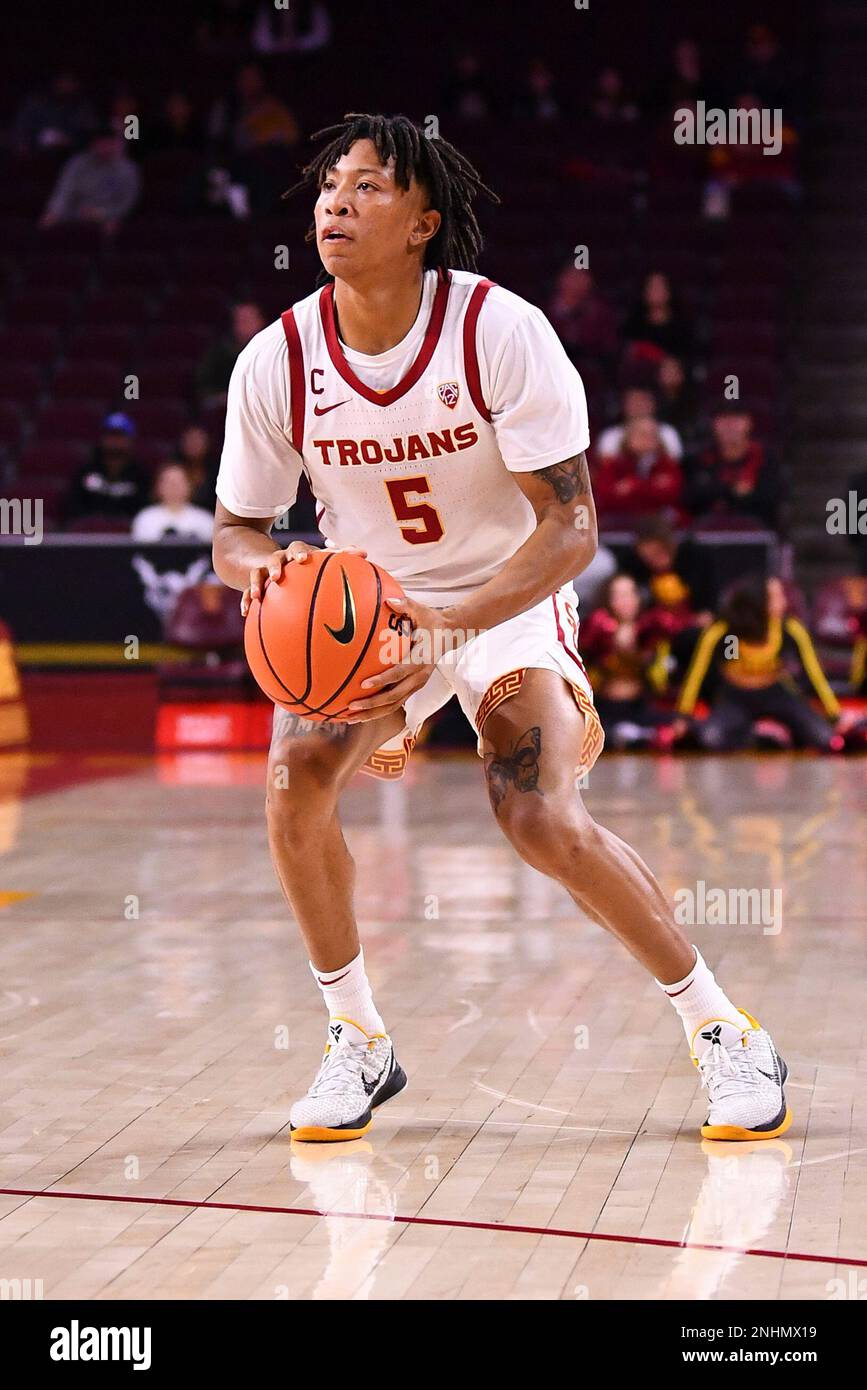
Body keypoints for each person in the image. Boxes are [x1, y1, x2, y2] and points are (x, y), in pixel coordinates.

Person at [212, 112, 791, 1146]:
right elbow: (235, 533)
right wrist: (277, 570)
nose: (335, 204)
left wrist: (451, 627)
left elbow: (573, 526)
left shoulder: (498, 330)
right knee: (295, 778)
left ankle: (724, 1030)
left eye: (367, 188)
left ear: (425, 221)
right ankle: (358, 1037)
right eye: (327, 187)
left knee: (538, 817)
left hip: (506, 597)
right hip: (372, 615)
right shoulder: (278, 358)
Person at [676, 576, 844, 752]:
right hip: (736, 697)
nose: (784, 602)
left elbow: (814, 674)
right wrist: (682, 715)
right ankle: (756, 736)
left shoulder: (789, 628)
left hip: (776, 692)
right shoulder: (728, 632)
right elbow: (697, 674)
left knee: (824, 737)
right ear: (757, 602)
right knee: (711, 738)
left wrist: (835, 715)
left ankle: (782, 735)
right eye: (776, 597)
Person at [580, 574, 672, 747]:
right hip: (605, 706)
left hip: (640, 705)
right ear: (608, 599)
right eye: (619, 595)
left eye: (630, 594)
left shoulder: (651, 628)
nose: (626, 601)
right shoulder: (596, 627)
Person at [686, 402, 779, 529]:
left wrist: (719, 493)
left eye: (736, 419)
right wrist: (733, 490)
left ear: (749, 423)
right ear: (713, 424)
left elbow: (770, 498)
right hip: (706, 537)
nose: (730, 426)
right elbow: (690, 498)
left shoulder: (765, 458)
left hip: (755, 536)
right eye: (723, 419)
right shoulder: (698, 459)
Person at [39, 128, 141, 236]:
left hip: (110, 215)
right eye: (102, 144)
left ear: (116, 145)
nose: (105, 148)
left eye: (109, 144)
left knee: (113, 227)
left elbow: (127, 202)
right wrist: (53, 213)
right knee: (50, 222)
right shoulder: (77, 164)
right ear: (94, 144)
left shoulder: (128, 170)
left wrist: (101, 213)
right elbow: (64, 191)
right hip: (76, 213)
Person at [594, 417, 683, 523]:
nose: (647, 439)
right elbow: (605, 497)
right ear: (628, 437)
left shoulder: (667, 464)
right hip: (619, 521)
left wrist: (632, 485)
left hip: (659, 521)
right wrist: (653, 485)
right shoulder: (614, 465)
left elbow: (672, 495)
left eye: (652, 435)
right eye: (641, 434)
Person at [66, 412, 148, 526]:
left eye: (120, 435)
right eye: (111, 435)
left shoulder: (141, 476)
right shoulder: (84, 472)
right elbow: (72, 508)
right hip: (89, 537)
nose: (115, 441)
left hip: (129, 539)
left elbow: (144, 514)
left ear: (130, 439)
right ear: (102, 438)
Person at [196, 302, 266, 408]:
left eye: (248, 320)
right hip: (226, 409)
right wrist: (222, 397)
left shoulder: (272, 351)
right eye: (240, 321)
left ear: (260, 321)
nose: (243, 325)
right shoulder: (219, 352)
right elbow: (203, 386)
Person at [546, 266, 618, 367]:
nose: (576, 282)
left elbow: (609, 347)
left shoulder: (601, 312)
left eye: (581, 276)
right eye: (572, 276)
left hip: (591, 369)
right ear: (562, 280)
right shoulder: (546, 312)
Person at [13, 71, 96, 154]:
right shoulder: (36, 102)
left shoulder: (83, 107)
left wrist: (70, 140)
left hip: (74, 153)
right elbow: (22, 129)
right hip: (36, 151)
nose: (65, 86)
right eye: (62, 82)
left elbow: (89, 133)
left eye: (69, 82)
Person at [623, 271, 695, 363]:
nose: (655, 290)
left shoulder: (682, 329)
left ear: (668, 292)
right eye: (651, 286)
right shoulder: (633, 326)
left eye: (659, 286)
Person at [596, 385, 683, 461]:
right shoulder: (611, 436)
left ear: (653, 404)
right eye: (634, 401)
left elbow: (674, 465)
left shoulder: (668, 432)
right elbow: (606, 467)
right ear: (624, 405)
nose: (639, 406)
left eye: (644, 401)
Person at [132, 461, 215, 542]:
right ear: (158, 487)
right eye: (168, 482)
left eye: (179, 482)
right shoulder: (145, 518)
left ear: (190, 486)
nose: (174, 487)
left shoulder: (205, 519)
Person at [177, 425, 219, 508]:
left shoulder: (217, 471)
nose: (194, 444)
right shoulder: (174, 468)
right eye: (190, 440)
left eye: (198, 440)